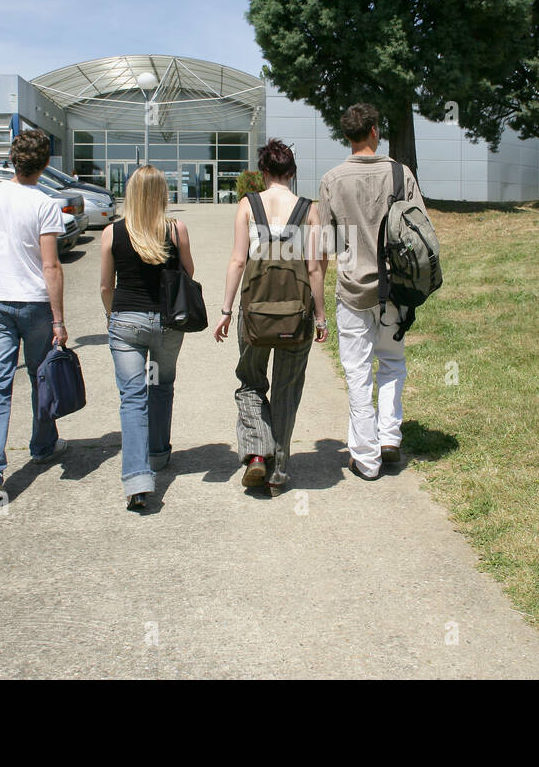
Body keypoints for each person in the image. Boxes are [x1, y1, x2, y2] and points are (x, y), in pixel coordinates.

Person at [316, 103, 427, 481]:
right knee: (392, 362)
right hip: (395, 287)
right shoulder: (400, 173)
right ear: (375, 131)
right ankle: (389, 437)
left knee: (358, 371)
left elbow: (325, 245)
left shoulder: (332, 180)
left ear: (347, 136)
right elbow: (420, 229)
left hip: (351, 289)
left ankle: (365, 457)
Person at [214, 140, 328, 495]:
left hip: (254, 314)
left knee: (250, 381)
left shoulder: (248, 206)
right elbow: (315, 269)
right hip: (297, 317)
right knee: (287, 390)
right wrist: (321, 317)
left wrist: (226, 309)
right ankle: (278, 470)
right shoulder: (310, 210)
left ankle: (257, 454)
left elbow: (236, 261)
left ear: (263, 172)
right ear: (292, 173)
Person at [0, 129, 68, 505]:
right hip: (35, 303)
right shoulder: (45, 203)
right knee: (41, 377)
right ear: (45, 164)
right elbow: (50, 265)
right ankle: (42, 446)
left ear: (11, 158)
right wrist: (59, 320)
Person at [99, 165, 192, 511]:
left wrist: (112, 315)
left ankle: (137, 480)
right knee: (161, 386)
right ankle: (158, 454)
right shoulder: (176, 229)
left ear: (131, 194)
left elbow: (106, 285)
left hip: (126, 323)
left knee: (132, 398)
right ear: (162, 195)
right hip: (166, 324)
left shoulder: (112, 233)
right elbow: (189, 273)